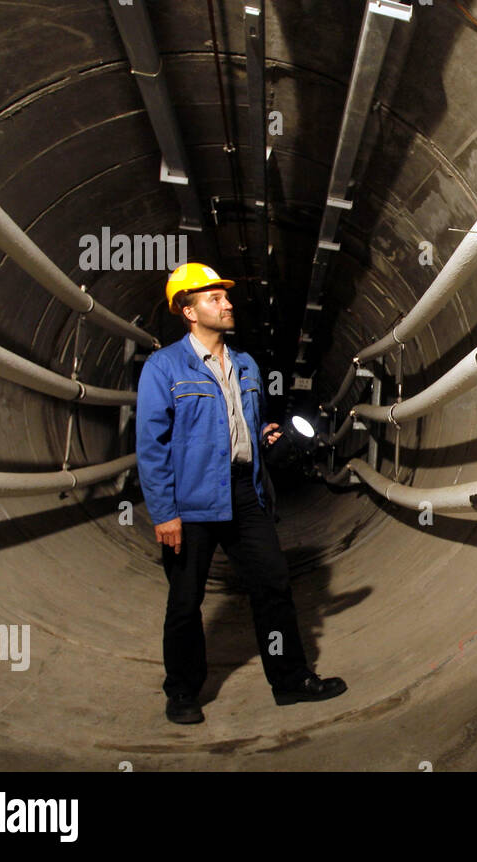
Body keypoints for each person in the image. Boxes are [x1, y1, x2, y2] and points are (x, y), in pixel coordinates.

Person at [135, 262, 345, 724]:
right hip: (190, 501)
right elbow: (151, 447)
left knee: (273, 585)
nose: (227, 303)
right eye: (214, 298)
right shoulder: (164, 367)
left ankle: (290, 680)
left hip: (244, 492)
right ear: (189, 311)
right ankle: (183, 692)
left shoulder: (246, 364)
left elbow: (246, 421)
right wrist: (164, 512)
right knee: (186, 601)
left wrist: (264, 431)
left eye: (225, 297)